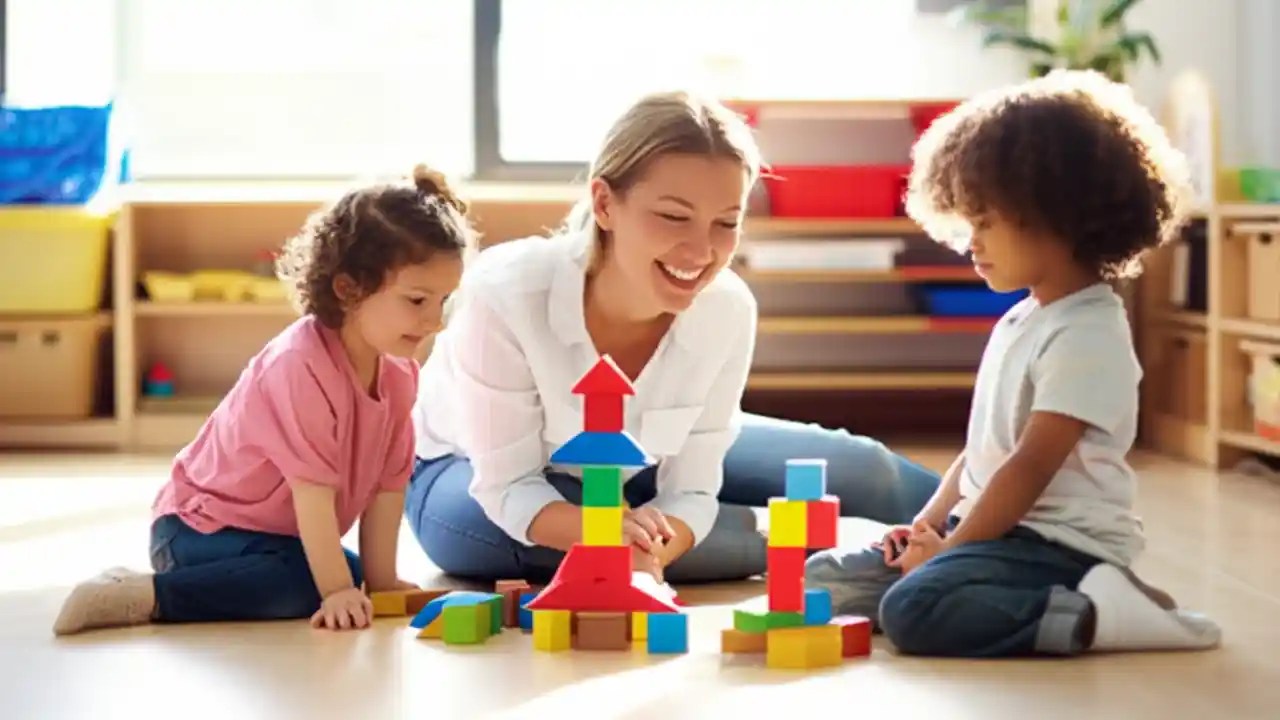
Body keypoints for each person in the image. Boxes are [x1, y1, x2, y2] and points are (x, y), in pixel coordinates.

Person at [405, 90, 940, 586]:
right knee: (750, 539)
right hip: (474, 478)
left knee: (867, 473)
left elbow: (692, 486)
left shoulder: (726, 307)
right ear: (605, 204)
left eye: (725, 223)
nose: (700, 252)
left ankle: (977, 537)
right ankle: (893, 552)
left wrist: (661, 537)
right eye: (673, 217)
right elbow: (507, 486)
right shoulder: (508, 291)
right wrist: (628, 540)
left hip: (644, 461)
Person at [804, 70, 1222, 657]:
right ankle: (970, 587)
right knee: (825, 578)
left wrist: (950, 553)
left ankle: (1104, 609)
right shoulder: (1025, 318)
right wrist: (927, 525)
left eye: (985, 223)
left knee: (912, 610)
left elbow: (1028, 467)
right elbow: (983, 454)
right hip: (995, 532)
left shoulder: (1088, 333)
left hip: (1054, 548)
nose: (970, 241)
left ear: (1056, 214)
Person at [53, 165, 471, 635]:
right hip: (198, 531)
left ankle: (303, 581)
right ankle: (141, 595)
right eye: (417, 301)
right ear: (348, 289)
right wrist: (335, 592)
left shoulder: (399, 373)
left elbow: (387, 490)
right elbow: (313, 495)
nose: (435, 321)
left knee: (343, 573)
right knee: (311, 583)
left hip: (275, 538)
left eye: (443, 301)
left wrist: (380, 582)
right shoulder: (300, 364)